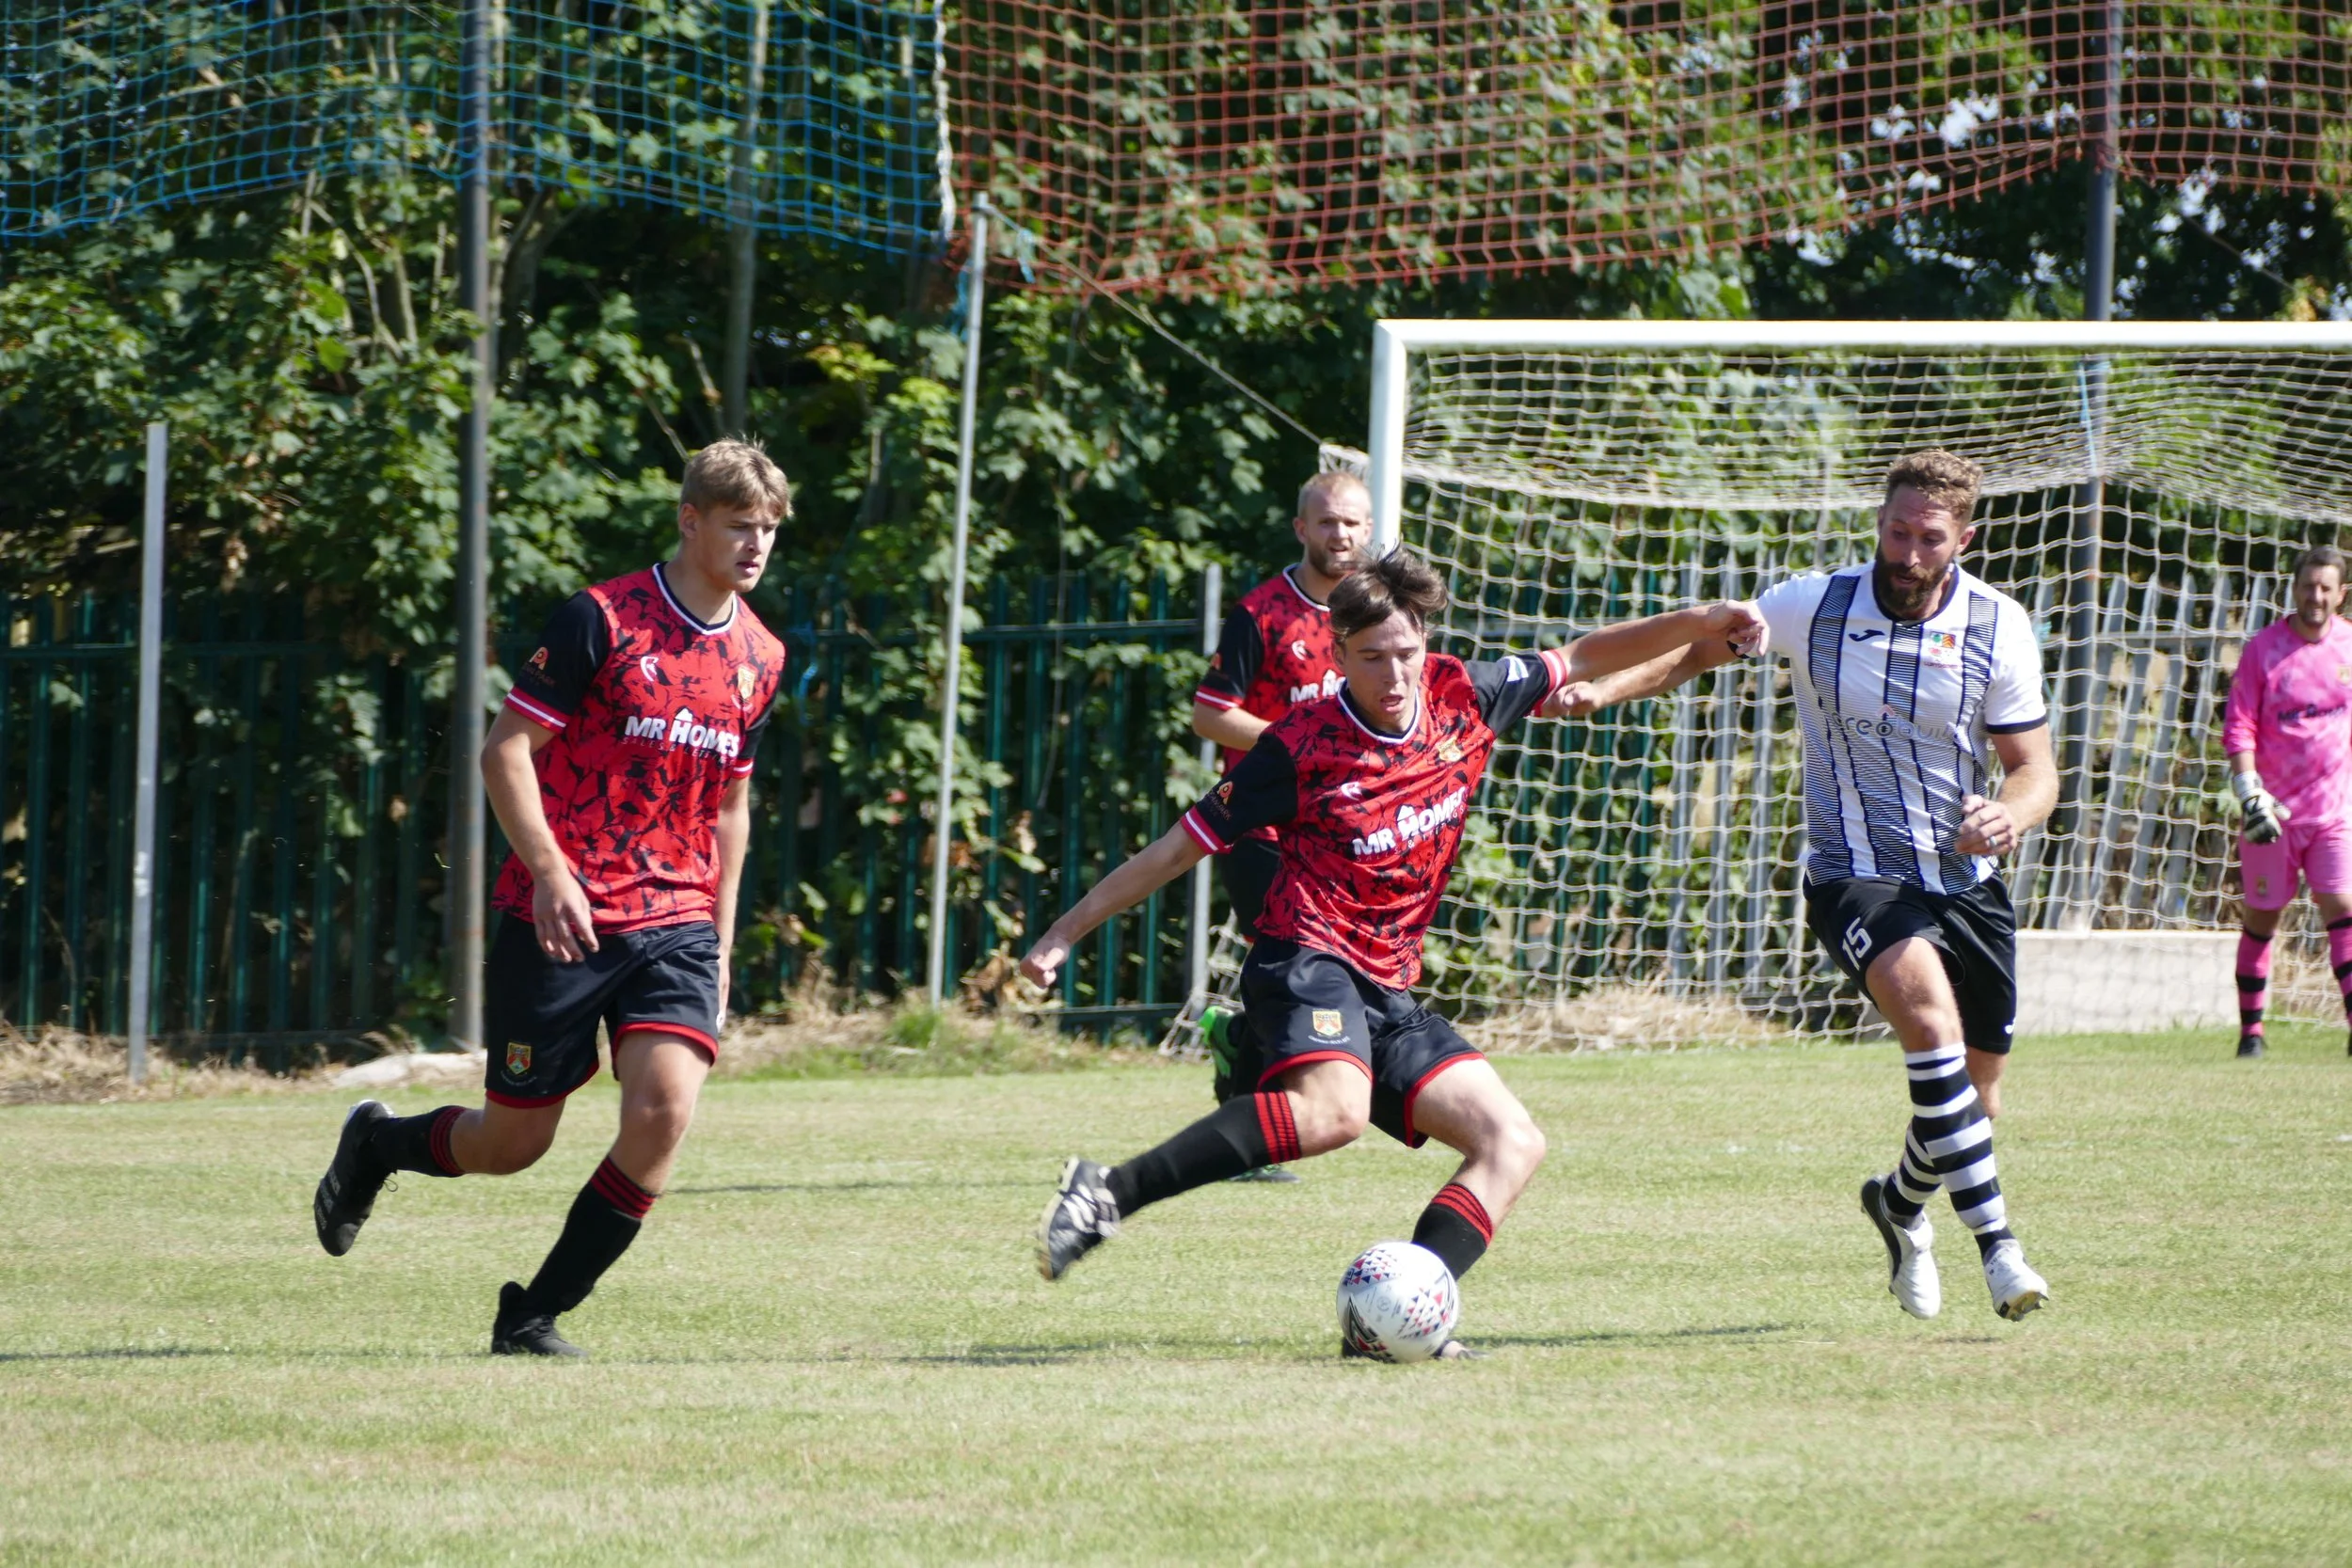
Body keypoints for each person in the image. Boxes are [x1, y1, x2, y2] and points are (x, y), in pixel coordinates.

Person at [1023, 550, 1763, 1356]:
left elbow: (1584, 656)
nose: (1394, 672)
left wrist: (1701, 624)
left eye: (1406, 650)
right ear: (1337, 654)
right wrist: (1064, 932)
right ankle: (1109, 1191)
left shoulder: (1464, 694)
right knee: (1333, 1113)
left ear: (1426, 641)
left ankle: (1395, 1318)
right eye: (1371, 656)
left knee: (1513, 1143)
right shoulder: (1299, 746)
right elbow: (1175, 848)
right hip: (1305, 956)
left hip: (1390, 986)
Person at [310, 439, 791, 1356]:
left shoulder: (760, 655)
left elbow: (731, 804)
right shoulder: (601, 619)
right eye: (740, 525)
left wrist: (722, 941)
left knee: (664, 1110)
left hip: (676, 919)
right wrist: (549, 870)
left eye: (768, 528)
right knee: (512, 1142)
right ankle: (375, 1146)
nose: (756, 544)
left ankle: (534, 1313)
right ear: (691, 520)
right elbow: (504, 751)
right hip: (562, 912)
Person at [1562, 450, 2057, 1324]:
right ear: (1881, 523)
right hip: (1852, 873)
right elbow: (1696, 648)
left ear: (1963, 539)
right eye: (1896, 531)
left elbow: (2034, 768)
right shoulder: (1815, 603)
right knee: (1930, 1024)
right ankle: (2001, 1249)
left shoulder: (1999, 625)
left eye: (1927, 538)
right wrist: (1605, 692)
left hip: (1965, 879)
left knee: (1977, 1098)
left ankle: (1899, 1206)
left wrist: (2012, 814)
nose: (1906, 552)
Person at [1187, 469, 1374, 1176]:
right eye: (1327, 522)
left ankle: (1239, 1043)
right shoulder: (1262, 612)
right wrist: (1291, 747)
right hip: (1259, 825)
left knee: (1333, 968)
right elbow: (1210, 711)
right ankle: (1252, 1126)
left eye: (1353, 522)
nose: (1341, 535)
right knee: (1291, 960)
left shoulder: (1371, 617)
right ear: (1302, 528)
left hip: (1340, 834)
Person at [2220, 544, 2352, 1059]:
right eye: (2307, 585)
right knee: (2262, 917)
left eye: (2325, 587)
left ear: (2341, 594)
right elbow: (2240, 726)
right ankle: (2251, 1034)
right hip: (2272, 814)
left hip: (2333, 812)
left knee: (2342, 907)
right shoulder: (2264, 649)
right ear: (2293, 588)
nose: (2314, 596)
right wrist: (2249, 793)